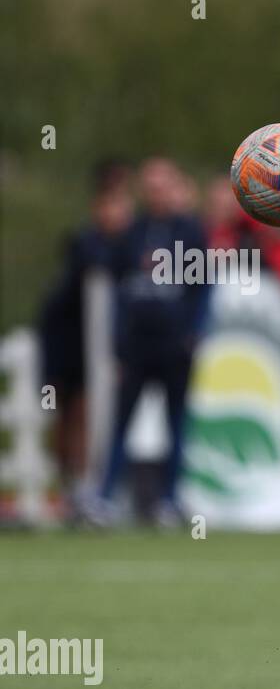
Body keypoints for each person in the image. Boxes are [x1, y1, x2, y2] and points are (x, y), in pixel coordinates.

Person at [94, 157, 211, 526]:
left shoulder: (191, 231)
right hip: (137, 347)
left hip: (175, 346)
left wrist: (196, 333)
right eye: (151, 186)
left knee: (175, 424)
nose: (157, 193)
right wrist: (117, 344)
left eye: (163, 185)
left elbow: (204, 289)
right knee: (121, 424)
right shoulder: (132, 233)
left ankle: (169, 501)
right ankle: (104, 499)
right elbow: (117, 289)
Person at [37, 161, 134, 521]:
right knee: (63, 412)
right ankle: (67, 485)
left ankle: (83, 487)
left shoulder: (128, 243)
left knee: (86, 410)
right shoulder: (85, 241)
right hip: (67, 338)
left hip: (99, 344)